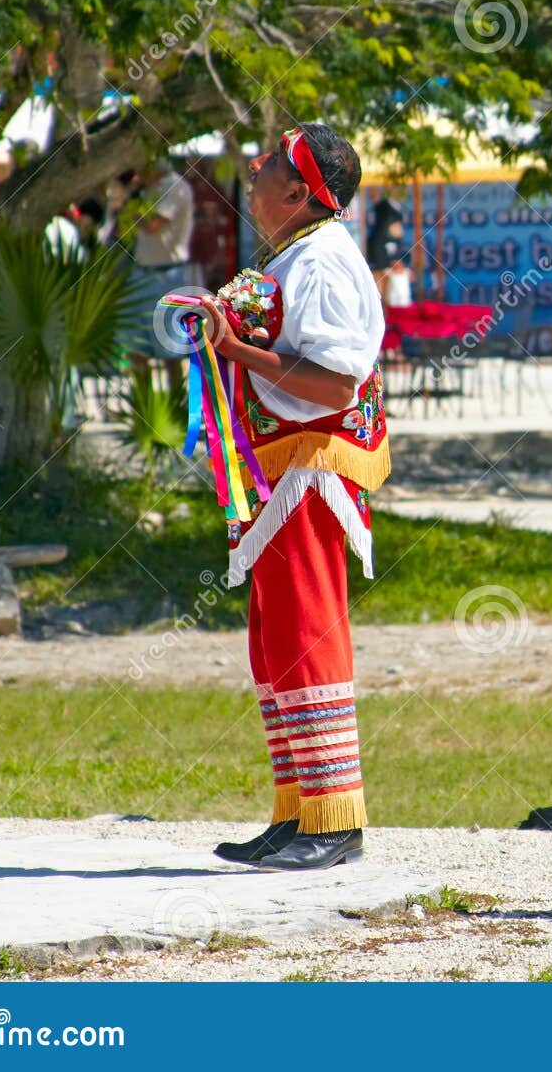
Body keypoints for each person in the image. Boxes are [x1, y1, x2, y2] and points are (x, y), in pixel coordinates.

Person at [202, 123, 389, 872]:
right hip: (283, 466)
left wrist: (233, 347)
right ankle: (299, 808)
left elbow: (337, 380)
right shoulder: (299, 252)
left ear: (298, 191)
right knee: (275, 633)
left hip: (311, 465)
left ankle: (337, 818)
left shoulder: (324, 261)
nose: (252, 169)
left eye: (269, 163)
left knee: (307, 626)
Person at [122, 160, 197, 394]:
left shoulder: (174, 186)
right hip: (141, 272)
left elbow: (153, 225)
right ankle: (144, 414)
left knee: (170, 351)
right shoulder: (146, 190)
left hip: (168, 275)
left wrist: (130, 207)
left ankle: (174, 414)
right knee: (136, 349)